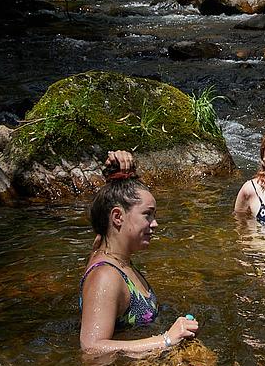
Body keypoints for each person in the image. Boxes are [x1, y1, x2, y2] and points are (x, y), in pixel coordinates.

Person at [79, 150, 200, 355]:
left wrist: (117, 172)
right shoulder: (105, 277)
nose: (155, 224)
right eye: (147, 215)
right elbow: (92, 347)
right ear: (117, 217)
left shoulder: (114, 255)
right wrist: (167, 340)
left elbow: (105, 205)